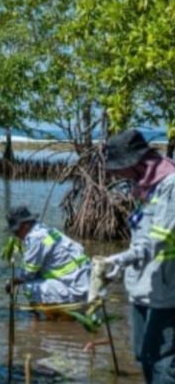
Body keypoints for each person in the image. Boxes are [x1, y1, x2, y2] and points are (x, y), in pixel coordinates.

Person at [93, 129, 175, 383]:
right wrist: (122, 267)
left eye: (118, 168)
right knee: (141, 353)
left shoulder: (170, 185)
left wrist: (122, 259)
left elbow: (161, 238)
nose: (114, 174)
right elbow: (141, 233)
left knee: (162, 360)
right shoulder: (143, 185)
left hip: (167, 286)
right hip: (143, 283)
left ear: (136, 162)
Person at [5, 206, 90, 306]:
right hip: (85, 284)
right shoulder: (45, 229)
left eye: (16, 230)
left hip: (77, 290)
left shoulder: (35, 238)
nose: (16, 235)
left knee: (29, 287)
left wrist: (11, 281)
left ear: (26, 225)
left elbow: (27, 274)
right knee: (38, 276)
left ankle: (40, 317)